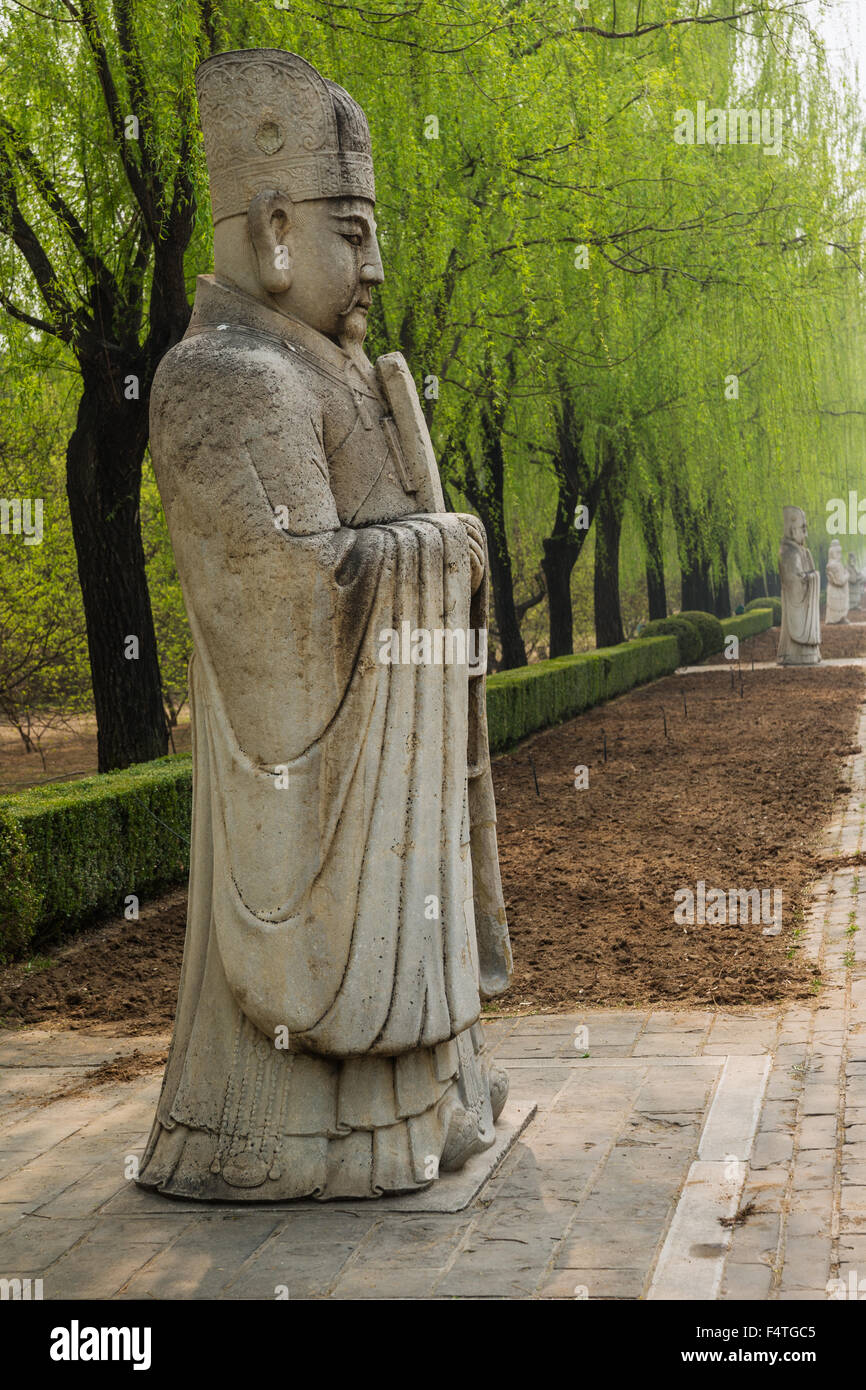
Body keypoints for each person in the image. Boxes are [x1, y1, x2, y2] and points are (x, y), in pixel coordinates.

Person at [137, 49, 511, 1201]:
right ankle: (290, 1132)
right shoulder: (224, 379)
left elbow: (372, 550)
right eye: (354, 235)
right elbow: (292, 604)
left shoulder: (336, 371)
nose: (378, 267)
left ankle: (425, 1093)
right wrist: (439, 555)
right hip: (297, 799)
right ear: (279, 225)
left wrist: (435, 554)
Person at [777, 506, 821, 665]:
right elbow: (795, 583)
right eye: (803, 528)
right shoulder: (788, 552)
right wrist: (813, 577)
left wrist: (812, 576)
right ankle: (794, 654)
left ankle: (809, 653)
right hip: (794, 608)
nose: (806, 534)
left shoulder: (802, 551)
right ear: (792, 529)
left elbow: (806, 574)